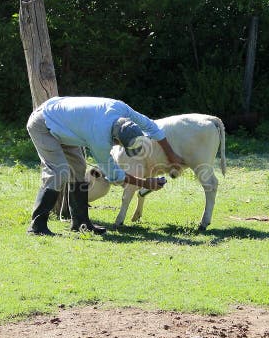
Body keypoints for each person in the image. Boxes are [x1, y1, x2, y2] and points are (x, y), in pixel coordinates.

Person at [26, 96, 184, 236]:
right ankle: (37, 226)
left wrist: (171, 155)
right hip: (43, 123)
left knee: (78, 168)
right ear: (116, 139)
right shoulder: (100, 139)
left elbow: (151, 126)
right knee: (59, 171)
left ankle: (80, 223)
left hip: (66, 123)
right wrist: (145, 183)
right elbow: (114, 174)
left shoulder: (122, 109)